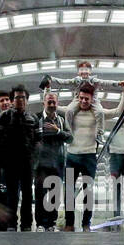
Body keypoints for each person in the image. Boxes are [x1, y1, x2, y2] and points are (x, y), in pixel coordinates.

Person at [62, 75, 124, 231]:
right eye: (81, 98)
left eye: (86, 99)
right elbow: (54, 108)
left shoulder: (97, 113)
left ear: (92, 99)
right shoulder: (72, 112)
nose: (83, 101)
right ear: (78, 98)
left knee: (88, 192)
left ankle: (86, 223)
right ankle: (69, 223)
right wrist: (47, 93)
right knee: (69, 192)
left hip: (89, 156)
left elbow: (118, 111)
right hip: (72, 155)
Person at [0, 84, 38, 231]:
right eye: (17, 97)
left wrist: (35, 160)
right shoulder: (3, 117)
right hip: (10, 163)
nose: (20, 100)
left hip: (27, 163)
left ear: (27, 100)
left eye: (23, 97)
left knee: (28, 195)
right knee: (12, 195)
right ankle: (11, 224)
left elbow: (38, 140)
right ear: (12, 100)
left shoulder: (32, 118)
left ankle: (26, 224)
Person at [33, 91, 71, 230]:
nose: (52, 104)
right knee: (40, 195)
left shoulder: (61, 120)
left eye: (54, 102)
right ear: (43, 103)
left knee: (54, 196)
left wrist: (58, 131)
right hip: (40, 165)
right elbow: (30, 139)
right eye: (49, 102)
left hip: (57, 164)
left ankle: (52, 223)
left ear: (57, 103)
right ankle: (40, 224)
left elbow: (70, 138)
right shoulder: (36, 119)